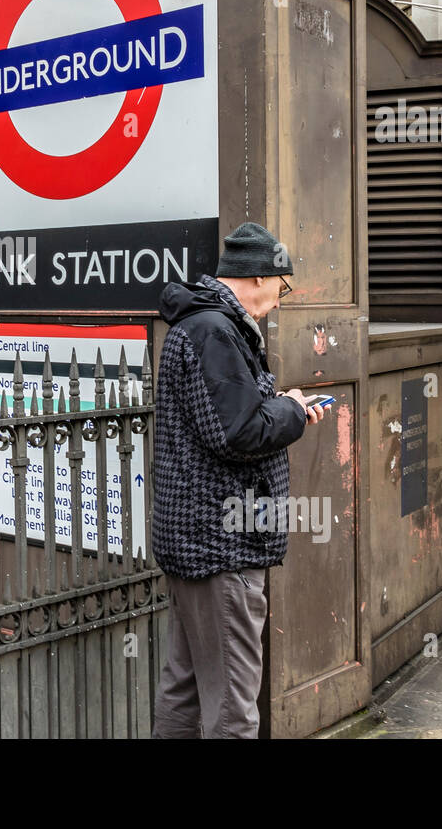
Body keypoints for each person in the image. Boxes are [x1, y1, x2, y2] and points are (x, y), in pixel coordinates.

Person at [150, 221, 327, 739]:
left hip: (195, 541)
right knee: (233, 708)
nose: (280, 298)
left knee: (183, 691)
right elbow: (239, 433)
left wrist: (284, 408)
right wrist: (291, 410)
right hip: (223, 545)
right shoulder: (215, 331)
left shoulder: (203, 325)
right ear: (257, 278)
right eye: (282, 285)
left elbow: (231, 418)